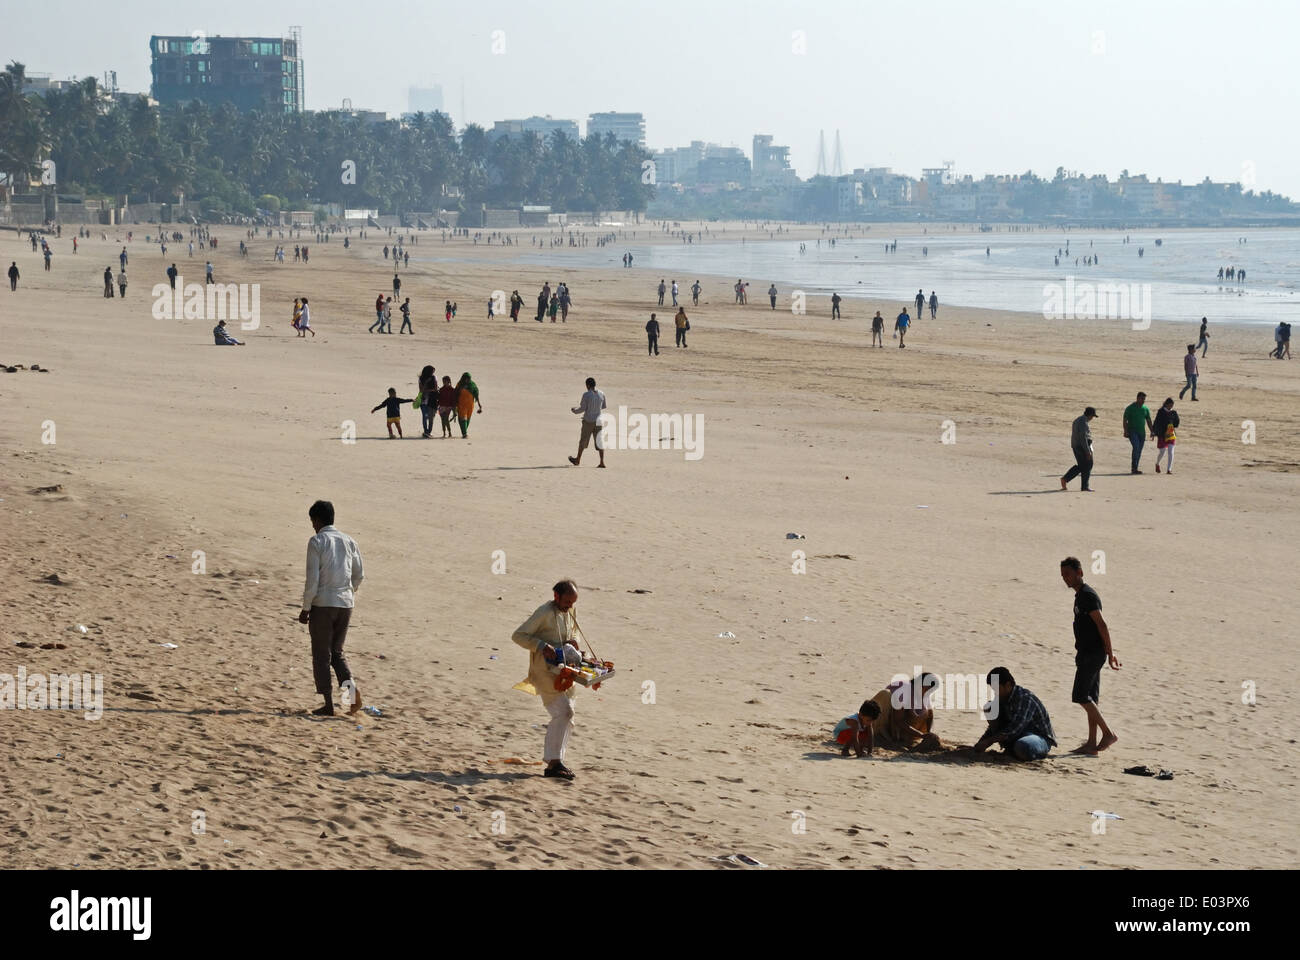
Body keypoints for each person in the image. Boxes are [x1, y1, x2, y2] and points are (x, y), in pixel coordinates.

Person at [511, 580, 586, 780]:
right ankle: (553, 763)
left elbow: (574, 632)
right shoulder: (544, 612)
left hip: (565, 671)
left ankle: (557, 761)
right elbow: (518, 636)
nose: (570, 606)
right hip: (544, 671)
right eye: (567, 602)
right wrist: (541, 645)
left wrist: (574, 642)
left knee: (568, 717)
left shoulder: (570, 610)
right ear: (556, 596)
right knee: (564, 712)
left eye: (573, 602)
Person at [299, 500, 364, 717]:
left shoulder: (317, 541)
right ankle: (352, 695)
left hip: (323, 604)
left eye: (312, 521)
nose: (312, 526)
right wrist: (348, 592)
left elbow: (312, 579)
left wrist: (306, 607)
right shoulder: (349, 541)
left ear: (317, 520)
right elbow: (359, 574)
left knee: (321, 655)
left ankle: (328, 704)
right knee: (337, 652)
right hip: (345, 604)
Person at [1060, 556, 1120, 754]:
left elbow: (1102, 625)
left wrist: (1110, 654)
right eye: (1063, 575)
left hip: (1093, 654)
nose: (1065, 578)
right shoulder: (1080, 596)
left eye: (1068, 574)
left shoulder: (1088, 595)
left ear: (1080, 573)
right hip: (1087, 652)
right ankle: (1092, 743)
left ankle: (1108, 733)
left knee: (1080, 695)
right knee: (1091, 697)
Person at [970, 667, 1057, 761]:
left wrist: (988, 742)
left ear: (1007, 685)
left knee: (1023, 746)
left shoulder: (1025, 698)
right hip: (1017, 735)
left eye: (997, 688)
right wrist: (980, 744)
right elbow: (994, 727)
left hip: (1038, 738)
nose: (995, 692)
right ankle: (1012, 750)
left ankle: (1021, 752)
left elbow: (1015, 728)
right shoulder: (1001, 698)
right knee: (990, 708)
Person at [867, 673, 940, 749]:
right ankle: (889, 735)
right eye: (927, 689)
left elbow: (930, 715)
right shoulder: (904, 690)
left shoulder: (924, 693)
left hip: (902, 717)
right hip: (884, 719)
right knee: (886, 694)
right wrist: (921, 735)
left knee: (925, 713)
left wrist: (928, 733)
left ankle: (903, 736)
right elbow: (898, 719)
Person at [568, 377, 607, 468]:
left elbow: (582, 408)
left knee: (583, 441)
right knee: (599, 442)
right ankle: (602, 462)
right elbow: (603, 406)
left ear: (587, 385)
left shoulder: (586, 395)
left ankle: (577, 460)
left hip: (588, 421)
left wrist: (574, 411)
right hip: (599, 421)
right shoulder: (602, 393)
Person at [1060, 406, 1096, 491]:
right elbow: (1083, 438)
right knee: (1088, 465)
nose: (1092, 418)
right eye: (1093, 416)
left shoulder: (1078, 420)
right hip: (1082, 446)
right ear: (1090, 415)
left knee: (1083, 465)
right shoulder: (1083, 422)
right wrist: (1087, 451)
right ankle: (1069, 480)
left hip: (1076, 445)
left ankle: (1069, 480)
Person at [1122, 392, 1154, 474]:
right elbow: (1125, 420)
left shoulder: (1145, 409)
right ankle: (1134, 467)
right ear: (1137, 398)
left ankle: (1135, 468)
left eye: (1144, 399)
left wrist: (1152, 431)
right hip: (1132, 431)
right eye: (1142, 399)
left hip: (1142, 433)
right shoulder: (1130, 408)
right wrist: (1125, 431)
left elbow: (1148, 420)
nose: (1143, 401)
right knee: (1136, 447)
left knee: (1139, 450)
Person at [1152, 397, 1179, 474]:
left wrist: (1173, 424)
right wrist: (1153, 431)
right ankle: (1157, 463)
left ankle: (1169, 469)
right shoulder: (1161, 412)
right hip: (1162, 434)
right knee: (1162, 451)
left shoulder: (1174, 413)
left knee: (1171, 452)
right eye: (1170, 405)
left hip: (1171, 433)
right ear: (1166, 404)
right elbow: (1156, 422)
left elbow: (1176, 423)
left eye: (1172, 405)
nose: (1171, 407)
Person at [455, 372, 482, 437]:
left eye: (468, 378)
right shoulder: (459, 384)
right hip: (461, 404)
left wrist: (479, 405)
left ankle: (464, 431)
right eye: (465, 378)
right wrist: (455, 404)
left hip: (470, 405)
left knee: (468, 419)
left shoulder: (472, 385)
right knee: (463, 418)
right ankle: (464, 433)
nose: (467, 380)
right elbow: (455, 394)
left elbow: (476, 394)